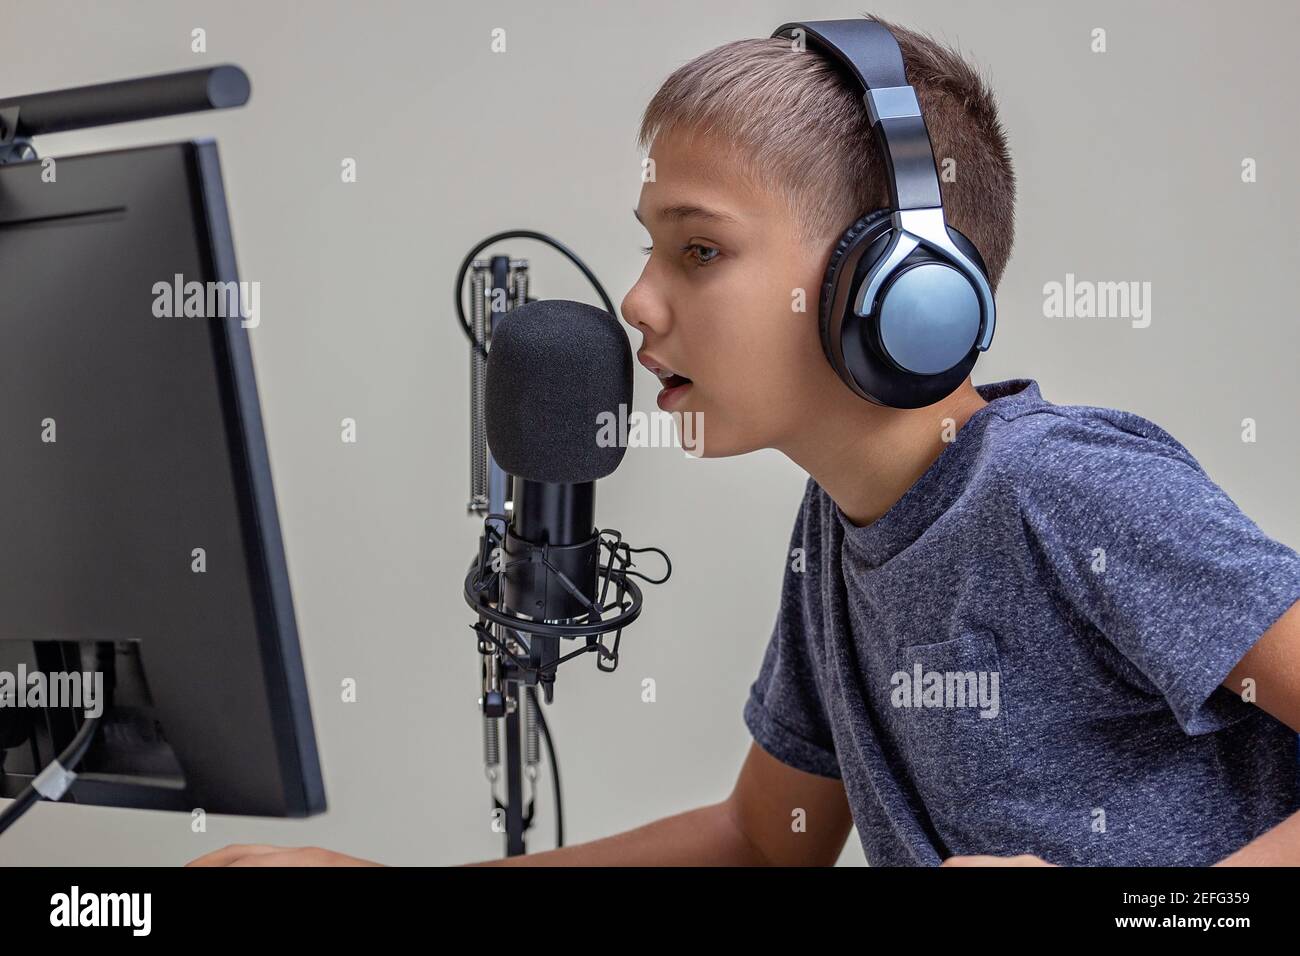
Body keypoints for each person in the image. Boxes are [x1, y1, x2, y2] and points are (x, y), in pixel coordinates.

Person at [187, 14, 1300, 868]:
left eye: (699, 252)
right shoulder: (838, 533)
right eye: (647, 250)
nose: (635, 299)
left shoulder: (1066, 490)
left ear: (898, 292)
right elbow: (767, 840)